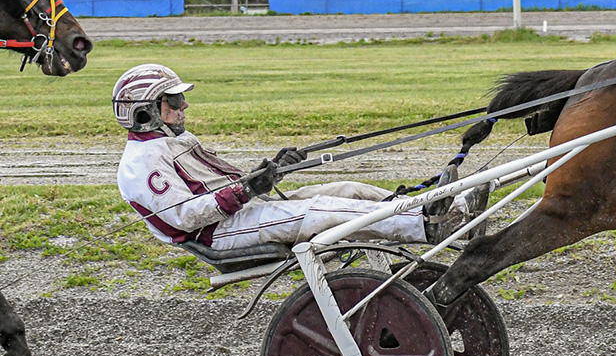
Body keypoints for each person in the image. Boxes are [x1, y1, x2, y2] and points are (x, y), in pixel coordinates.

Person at [113, 64, 486, 252]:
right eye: (174, 101)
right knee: (320, 211)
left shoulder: (176, 140)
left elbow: (224, 186)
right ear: (145, 110)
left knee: (346, 189)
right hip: (217, 235)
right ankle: (431, 226)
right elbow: (186, 215)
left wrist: (273, 169)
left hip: (237, 214)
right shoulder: (139, 164)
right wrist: (246, 191)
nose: (184, 105)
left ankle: (429, 210)